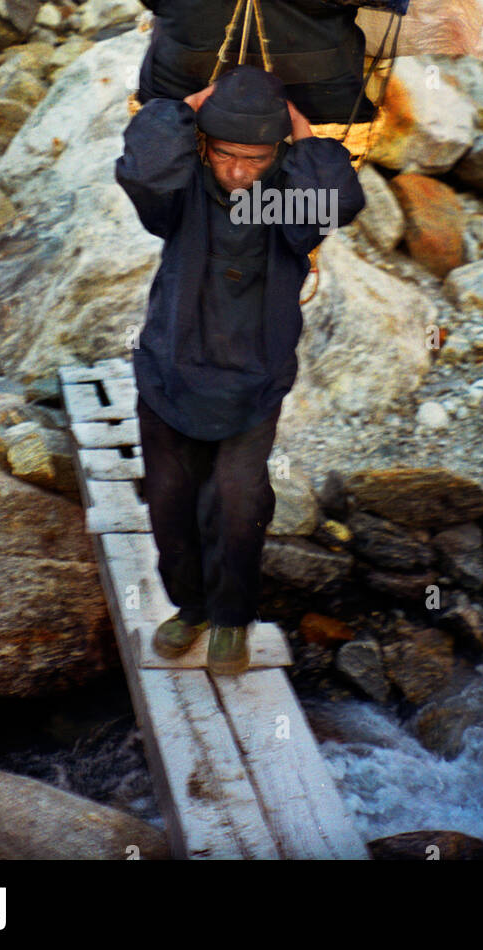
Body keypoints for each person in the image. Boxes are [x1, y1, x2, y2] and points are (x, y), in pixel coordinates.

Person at [114, 63, 366, 675]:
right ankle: (192, 608)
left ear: (275, 154)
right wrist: (182, 106)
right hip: (171, 372)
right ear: (205, 146)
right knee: (170, 498)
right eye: (227, 154)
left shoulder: (288, 202)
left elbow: (341, 201)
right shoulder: (182, 193)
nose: (238, 171)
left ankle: (232, 618)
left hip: (252, 382)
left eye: (255, 157)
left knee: (237, 498)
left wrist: (303, 134)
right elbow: (142, 167)